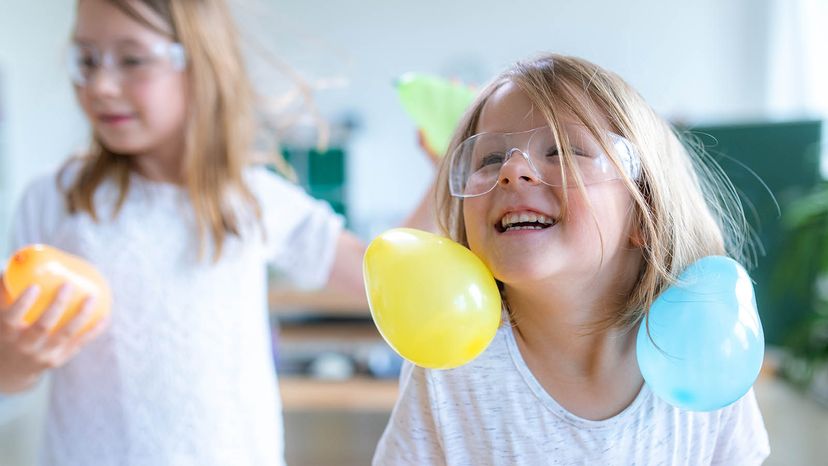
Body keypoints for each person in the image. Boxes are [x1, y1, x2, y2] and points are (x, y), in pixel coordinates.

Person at [0, 0, 432, 465]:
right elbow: (12, 379)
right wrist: (10, 365)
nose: (101, 85)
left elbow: (382, 280)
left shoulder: (251, 198)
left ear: (199, 63)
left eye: (132, 59)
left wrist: (443, 174)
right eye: (86, 60)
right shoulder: (53, 199)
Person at [373, 53, 770, 465]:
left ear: (645, 211)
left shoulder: (706, 350)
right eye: (490, 158)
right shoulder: (448, 372)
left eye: (562, 151)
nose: (512, 169)